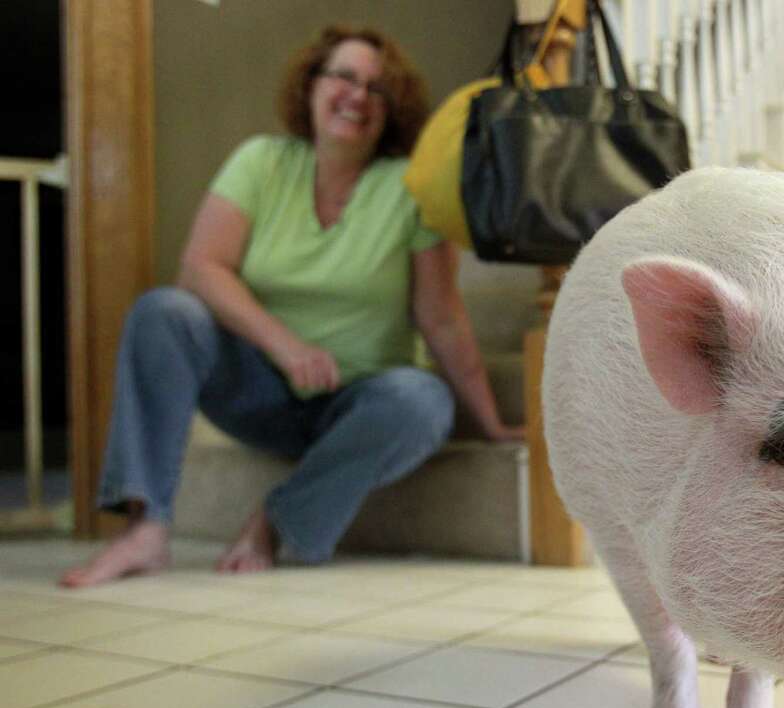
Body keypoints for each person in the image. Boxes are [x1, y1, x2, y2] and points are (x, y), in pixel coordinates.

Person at [61, 24, 522, 587]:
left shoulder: (409, 189)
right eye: (344, 77)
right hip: (260, 392)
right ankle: (145, 529)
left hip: (360, 405)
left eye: (378, 89)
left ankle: (276, 521)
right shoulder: (260, 162)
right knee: (164, 312)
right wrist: (286, 345)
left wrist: (493, 424)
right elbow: (201, 267)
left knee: (423, 400)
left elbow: (441, 317)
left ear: (392, 109)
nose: (358, 96)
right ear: (310, 86)